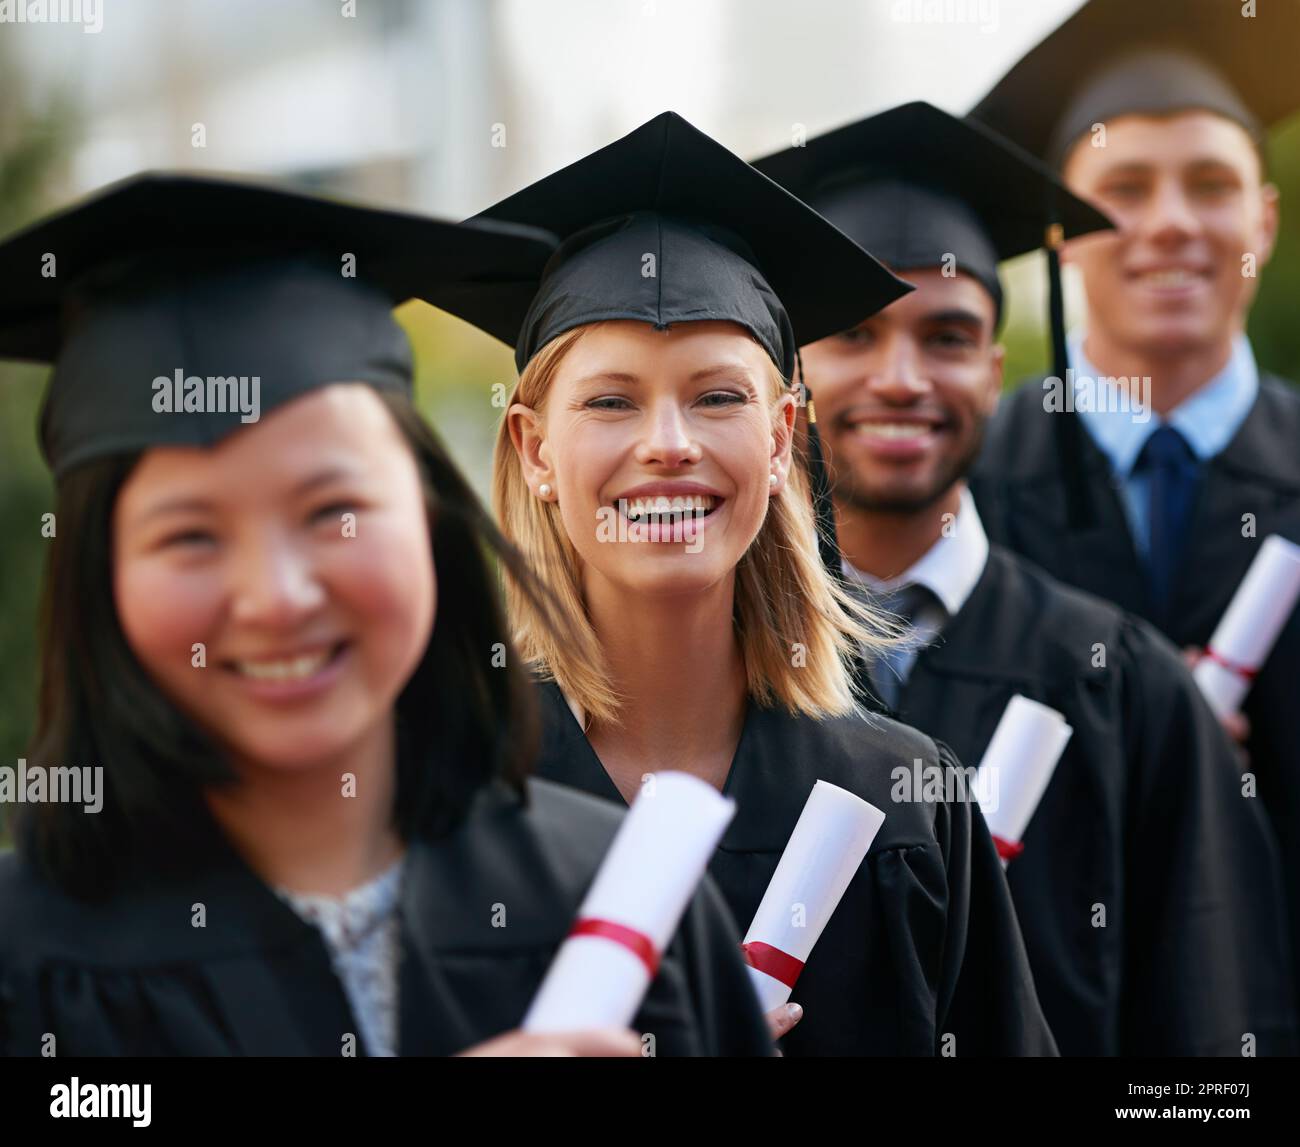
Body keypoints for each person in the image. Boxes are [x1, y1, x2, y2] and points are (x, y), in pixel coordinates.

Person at [0, 173, 774, 1058]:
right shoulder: (27, 967)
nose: (278, 595)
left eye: (333, 511)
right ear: (98, 577)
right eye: (190, 536)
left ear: (432, 522)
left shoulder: (618, 898)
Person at [445, 110, 1057, 1056]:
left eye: (718, 396)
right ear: (533, 448)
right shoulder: (444, 800)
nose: (668, 445)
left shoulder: (908, 799)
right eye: (610, 400)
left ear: (780, 438)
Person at [755, 100, 1297, 1055]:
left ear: (997, 369)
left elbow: (1214, 1057)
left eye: (948, 338)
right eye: (856, 336)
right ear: (786, 380)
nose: (903, 378)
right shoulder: (706, 678)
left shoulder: (1127, 687)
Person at [967, 0, 1300, 1023]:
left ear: (1264, 221)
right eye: (1123, 188)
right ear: (1060, 233)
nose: (1168, 222)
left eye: (1209, 185)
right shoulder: (960, 490)